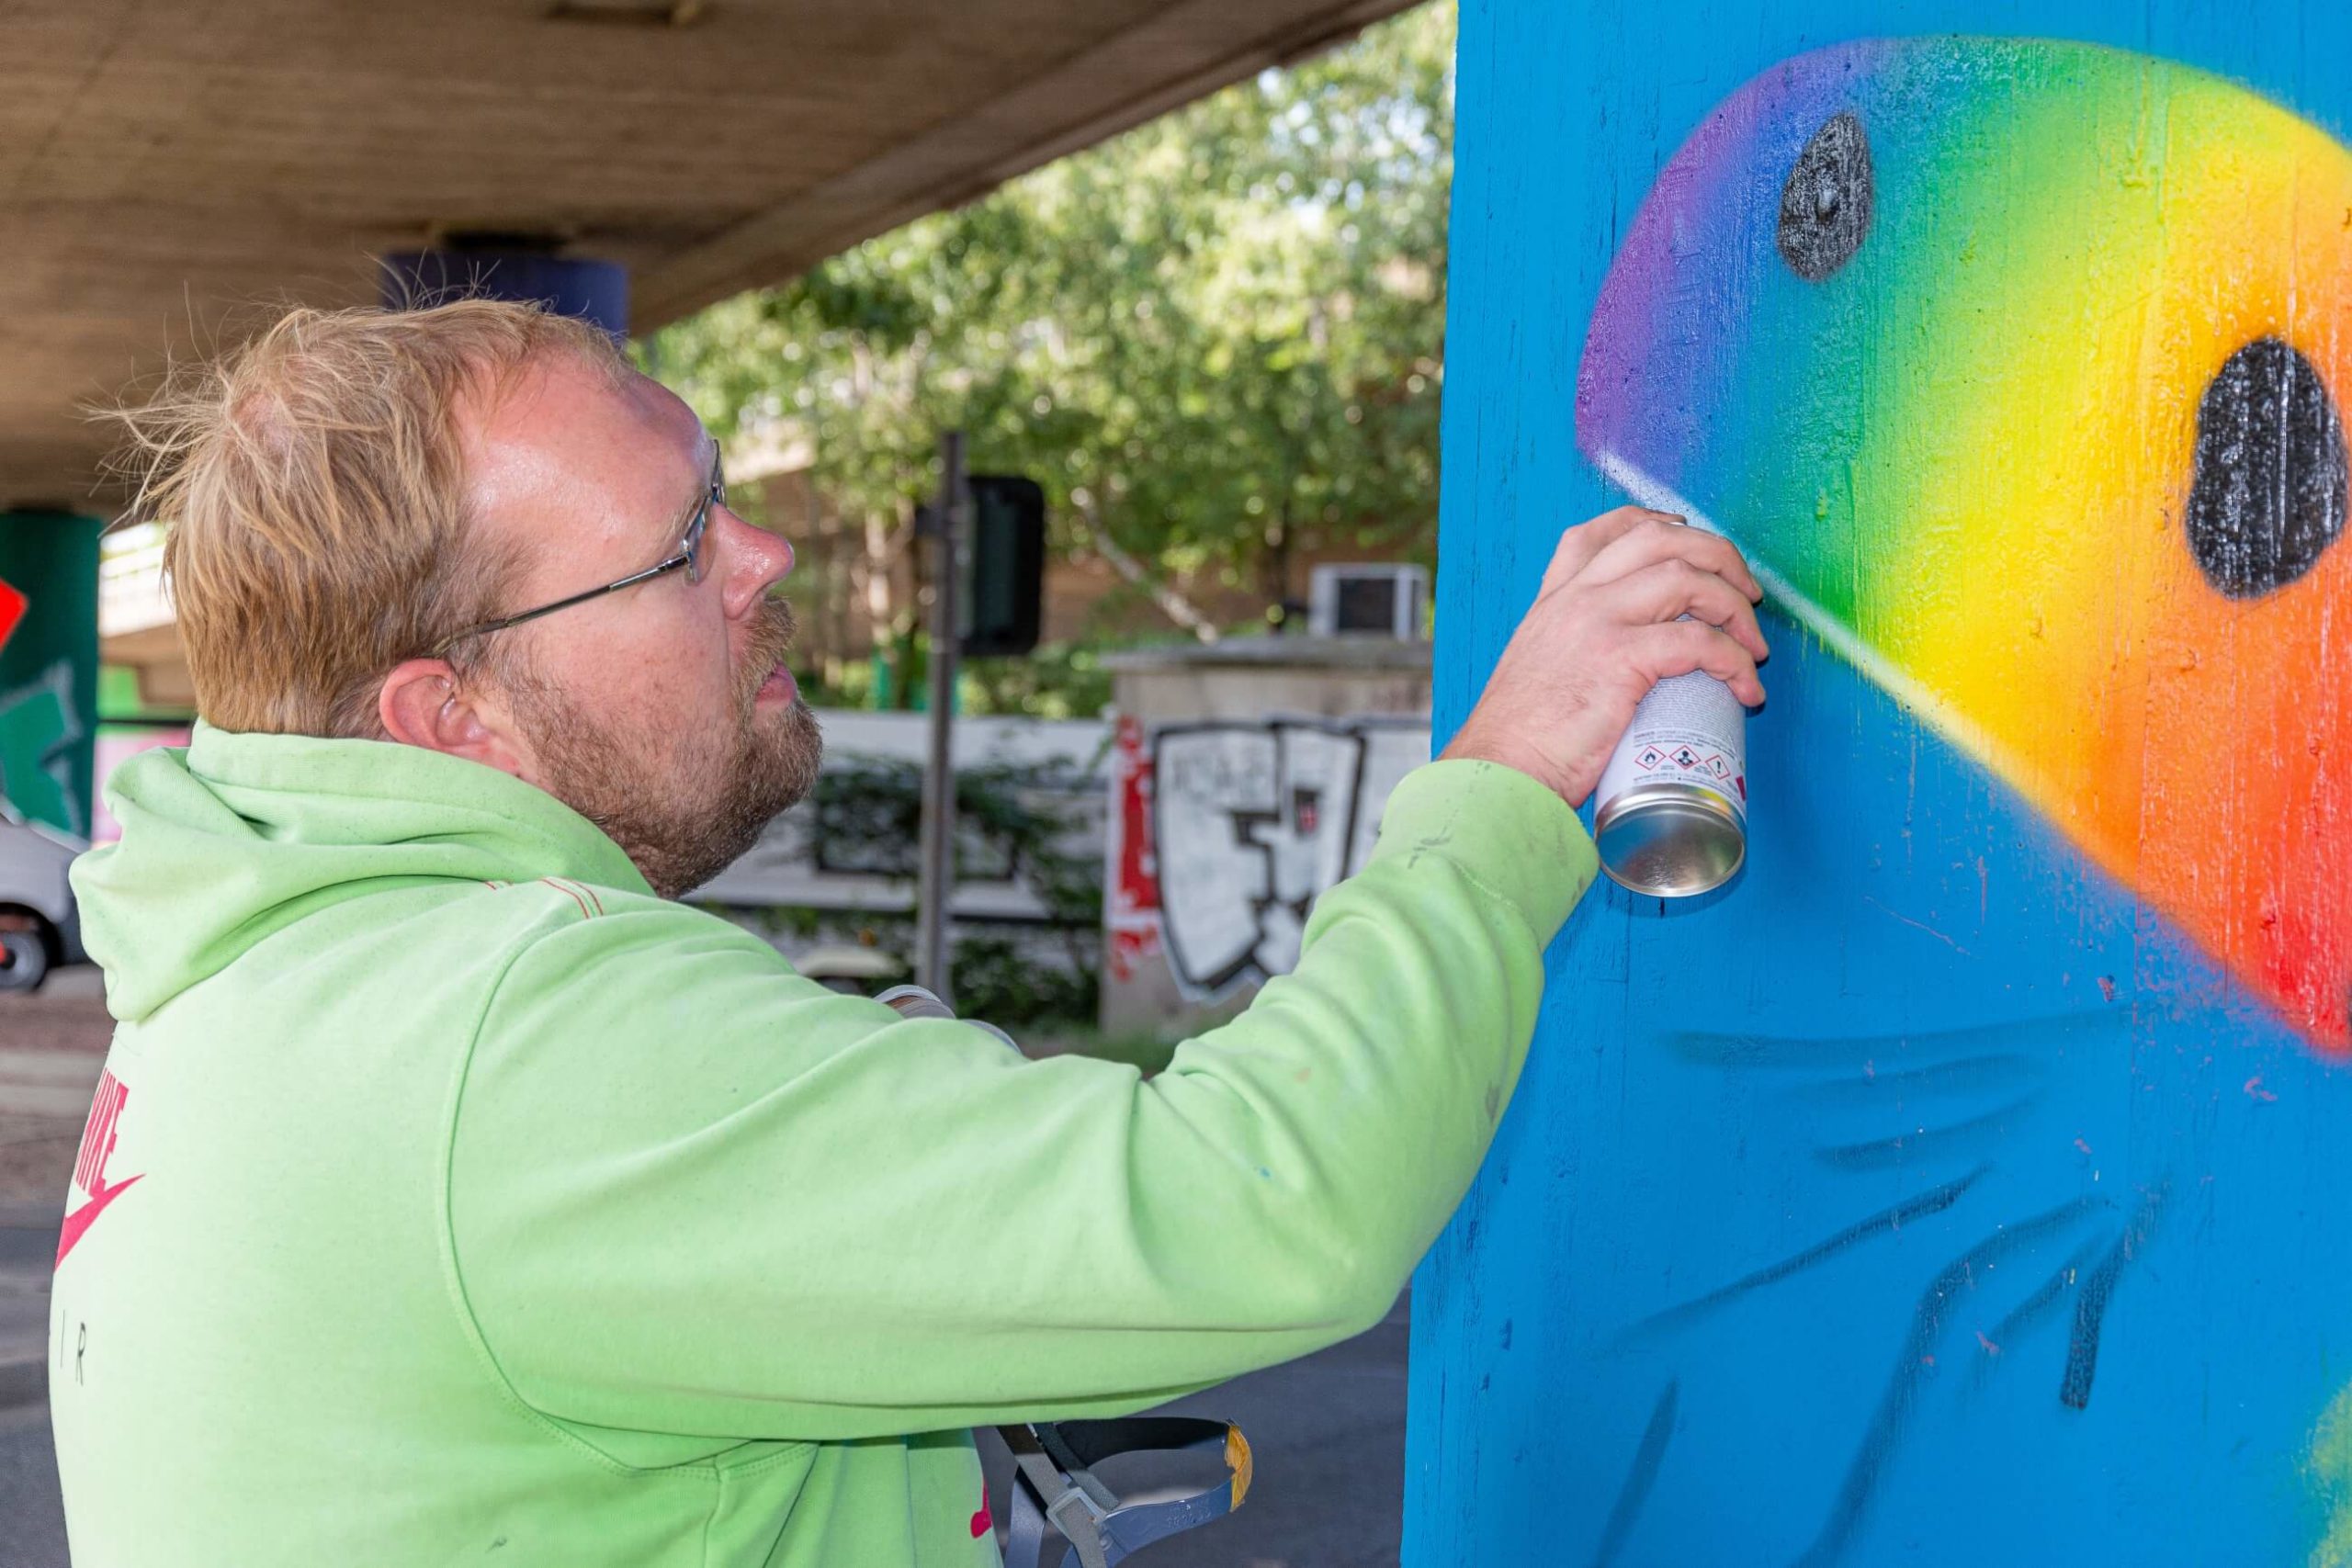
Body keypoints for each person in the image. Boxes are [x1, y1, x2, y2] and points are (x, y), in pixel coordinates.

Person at [52, 299, 1768, 1567]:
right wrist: (1507, 782)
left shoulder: (250, 985)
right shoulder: (516, 1039)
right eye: (676, 544)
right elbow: (1269, 1208)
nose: (767, 549)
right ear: (451, 719)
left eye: (715, 484)